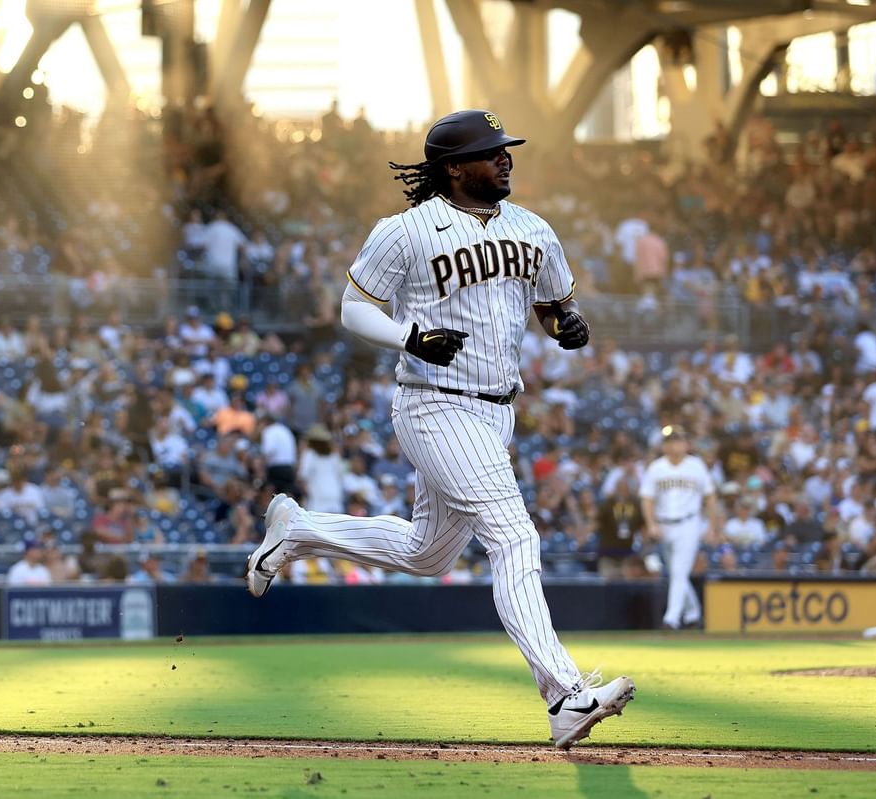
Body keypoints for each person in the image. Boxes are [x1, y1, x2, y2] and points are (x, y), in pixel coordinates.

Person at [243, 110, 633, 749]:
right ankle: (564, 694)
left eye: (506, 150)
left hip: (495, 409)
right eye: (491, 152)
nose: (505, 159)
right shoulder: (406, 231)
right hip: (434, 404)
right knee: (512, 536)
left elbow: (551, 301)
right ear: (454, 167)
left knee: (429, 553)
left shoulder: (533, 228)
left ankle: (300, 529)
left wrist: (566, 325)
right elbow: (352, 308)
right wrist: (410, 336)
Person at [640, 425, 717, 631]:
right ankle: (693, 612)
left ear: (686, 444)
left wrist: (711, 526)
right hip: (664, 524)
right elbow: (647, 499)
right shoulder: (656, 467)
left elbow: (709, 497)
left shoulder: (696, 465)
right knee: (676, 572)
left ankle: (671, 618)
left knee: (678, 570)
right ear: (664, 445)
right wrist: (651, 524)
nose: (674, 445)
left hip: (689, 523)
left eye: (678, 440)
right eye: (669, 441)